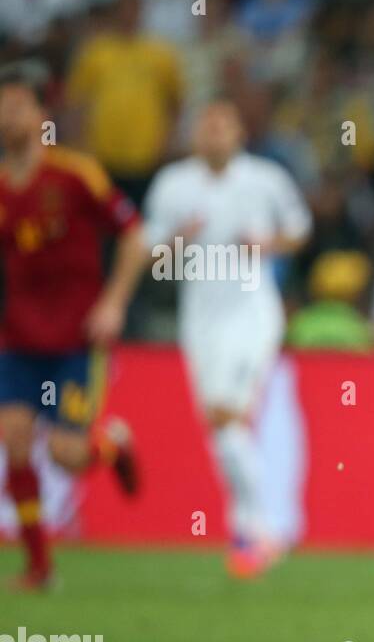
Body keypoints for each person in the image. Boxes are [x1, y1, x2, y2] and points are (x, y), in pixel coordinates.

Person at [137, 99, 312, 577]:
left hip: (252, 313)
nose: (214, 133)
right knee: (220, 427)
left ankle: (258, 529)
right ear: (195, 134)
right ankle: (251, 530)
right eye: (206, 125)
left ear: (239, 133)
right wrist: (179, 239)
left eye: (223, 125)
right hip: (200, 319)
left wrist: (269, 244)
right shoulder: (173, 184)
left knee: (226, 414)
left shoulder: (266, 179)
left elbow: (300, 231)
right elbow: (151, 255)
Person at [0, 60, 142, 590]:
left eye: (17, 105)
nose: (6, 116)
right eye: (1, 106)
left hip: (75, 341)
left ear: (43, 115)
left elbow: (134, 235)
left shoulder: (76, 175)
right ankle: (40, 566)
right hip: (19, 339)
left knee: (66, 455)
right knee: (14, 441)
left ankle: (113, 445)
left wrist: (114, 303)